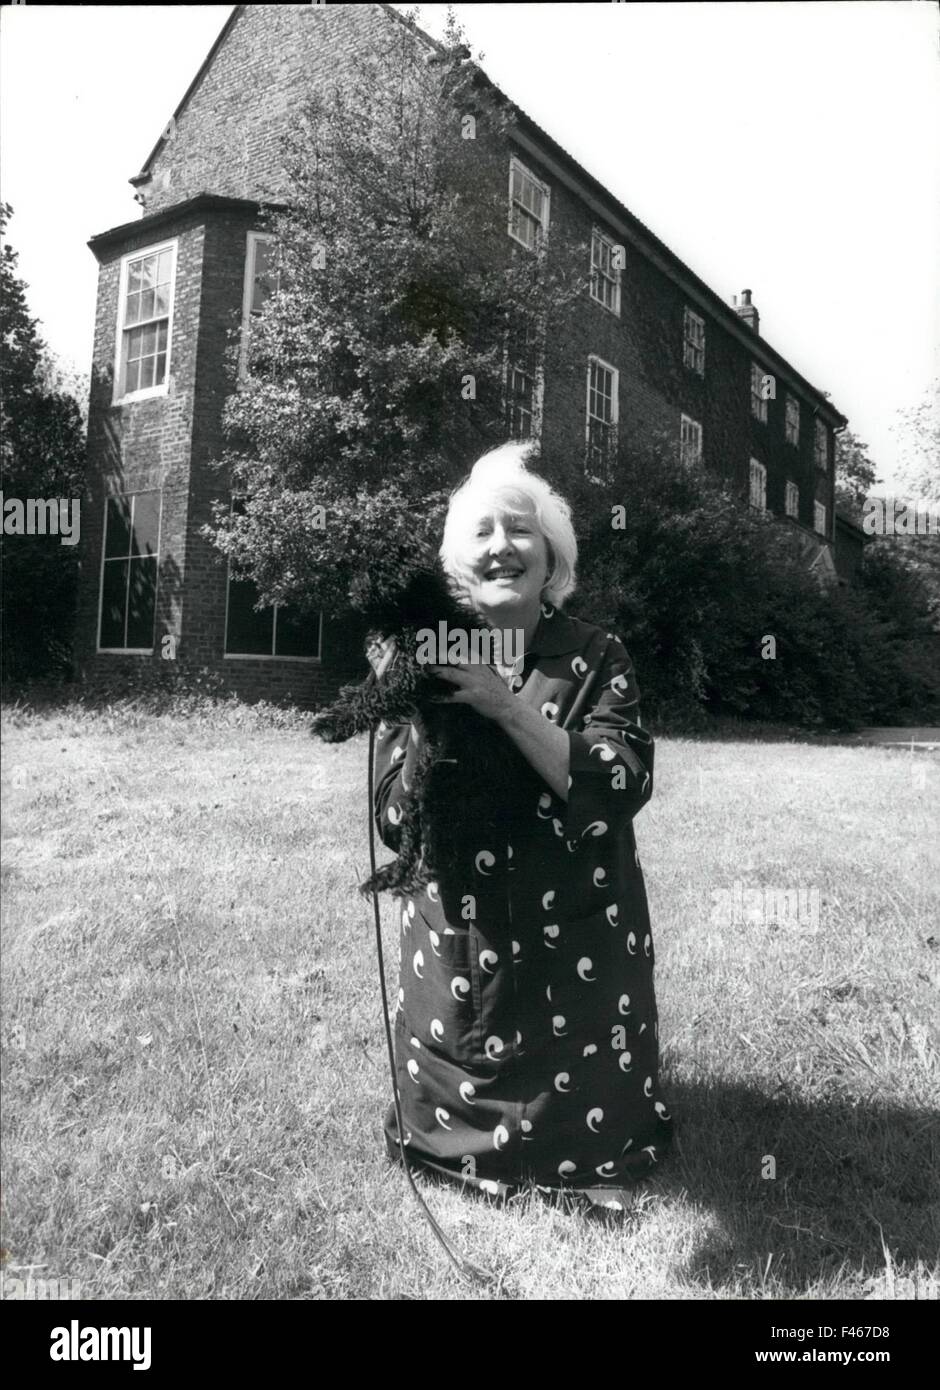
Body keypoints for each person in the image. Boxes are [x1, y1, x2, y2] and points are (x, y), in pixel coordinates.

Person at [368, 443, 673, 1211]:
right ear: (455, 561)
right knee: (465, 1042)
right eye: (481, 532)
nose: (502, 545)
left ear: (551, 560)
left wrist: (500, 704)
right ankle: (452, 1146)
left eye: (521, 530)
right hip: (460, 942)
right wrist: (421, 711)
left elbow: (619, 780)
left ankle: (592, 1155)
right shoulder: (420, 655)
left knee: (593, 1097)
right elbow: (395, 823)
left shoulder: (598, 654)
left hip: (580, 936)